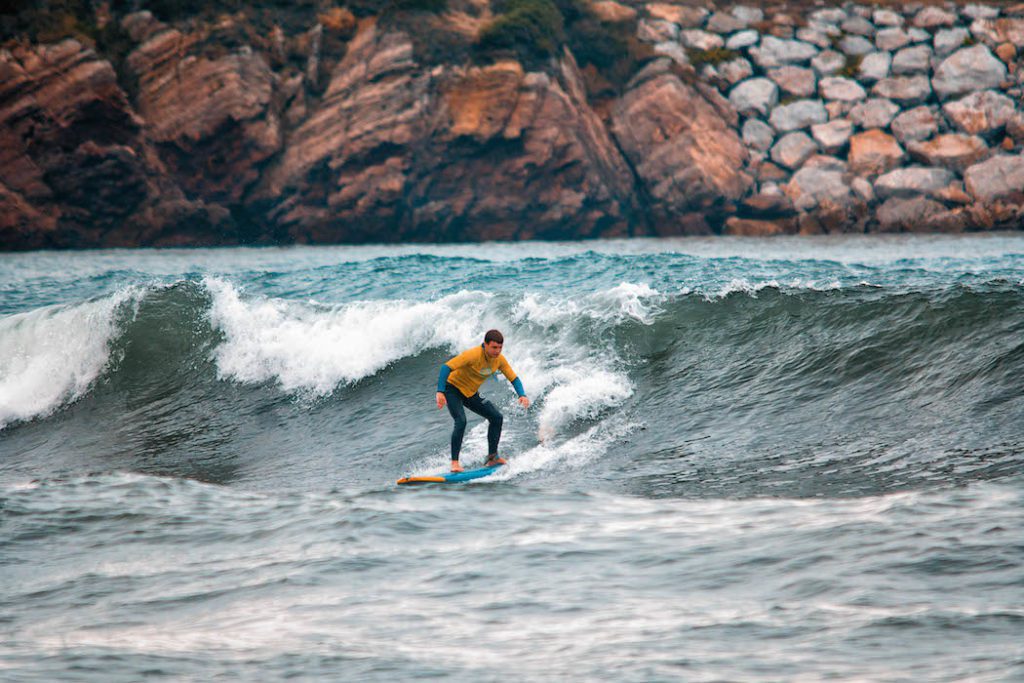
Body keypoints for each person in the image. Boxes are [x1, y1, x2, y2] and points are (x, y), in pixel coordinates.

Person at [436, 329, 530, 472]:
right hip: (452, 389)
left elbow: (514, 378)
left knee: (496, 417)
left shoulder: (499, 360)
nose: (497, 351)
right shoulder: (473, 355)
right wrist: (440, 391)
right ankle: (454, 463)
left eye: (500, 347)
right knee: (461, 421)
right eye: (494, 347)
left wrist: (522, 395)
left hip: (470, 392)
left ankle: (492, 458)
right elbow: (446, 367)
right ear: (485, 344)